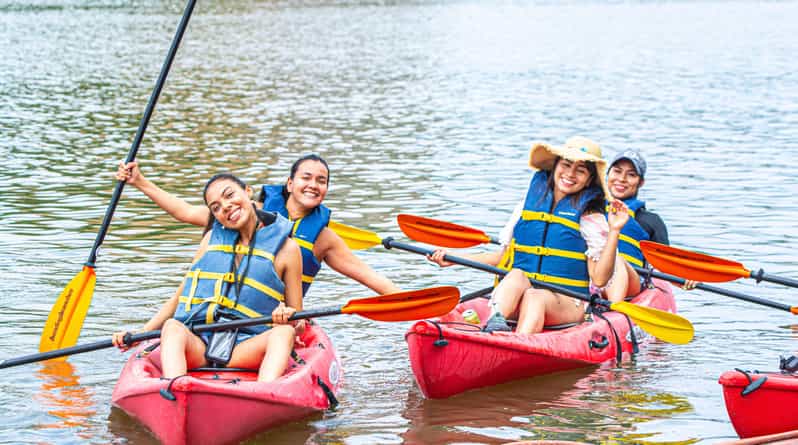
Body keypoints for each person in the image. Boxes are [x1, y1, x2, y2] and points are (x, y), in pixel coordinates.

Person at [428, 137, 638, 334]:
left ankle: (516, 344)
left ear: (589, 179)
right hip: (521, 295)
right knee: (517, 274)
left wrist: (614, 231)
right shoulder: (526, 207)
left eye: (580, 170)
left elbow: (600, 279)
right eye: (566, 165)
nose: (570, 174)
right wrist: (453, 259)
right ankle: (495, 323)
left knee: (535, 296)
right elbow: (505, 257)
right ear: (555, 166)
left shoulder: (590, 217)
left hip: (568, 302)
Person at [115, 154, 400, 296]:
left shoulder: (324, 238)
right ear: (290, 184)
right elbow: (186, 212)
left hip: (279, 317)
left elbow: (371, 278)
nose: (313, 185)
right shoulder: (249, 213)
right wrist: (140, 182)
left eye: (321, 181)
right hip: (231, 305)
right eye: (306, 178)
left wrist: (431, 309)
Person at [112, 173, 303, 382]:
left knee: (284, 333)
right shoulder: (211, 239)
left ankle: (265, 392)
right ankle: (176, 388)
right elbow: (179, 298)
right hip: (201, 343)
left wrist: (287, 315)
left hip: (247, 345)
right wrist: (140, 333)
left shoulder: (288, 249)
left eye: (229, 195)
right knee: (172, 328)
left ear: (248, 192)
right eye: (216, 207)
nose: (226, 207)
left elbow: (299, 321)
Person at [607, 149, 697, 290]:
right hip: (593, 282)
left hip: (628, 287)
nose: (622, 178)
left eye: (631, 175)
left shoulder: (650, 221)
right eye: (617, 171)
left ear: (640, 182)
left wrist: (685, 278)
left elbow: (667, 265)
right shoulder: (590, 209)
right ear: (607, 174)